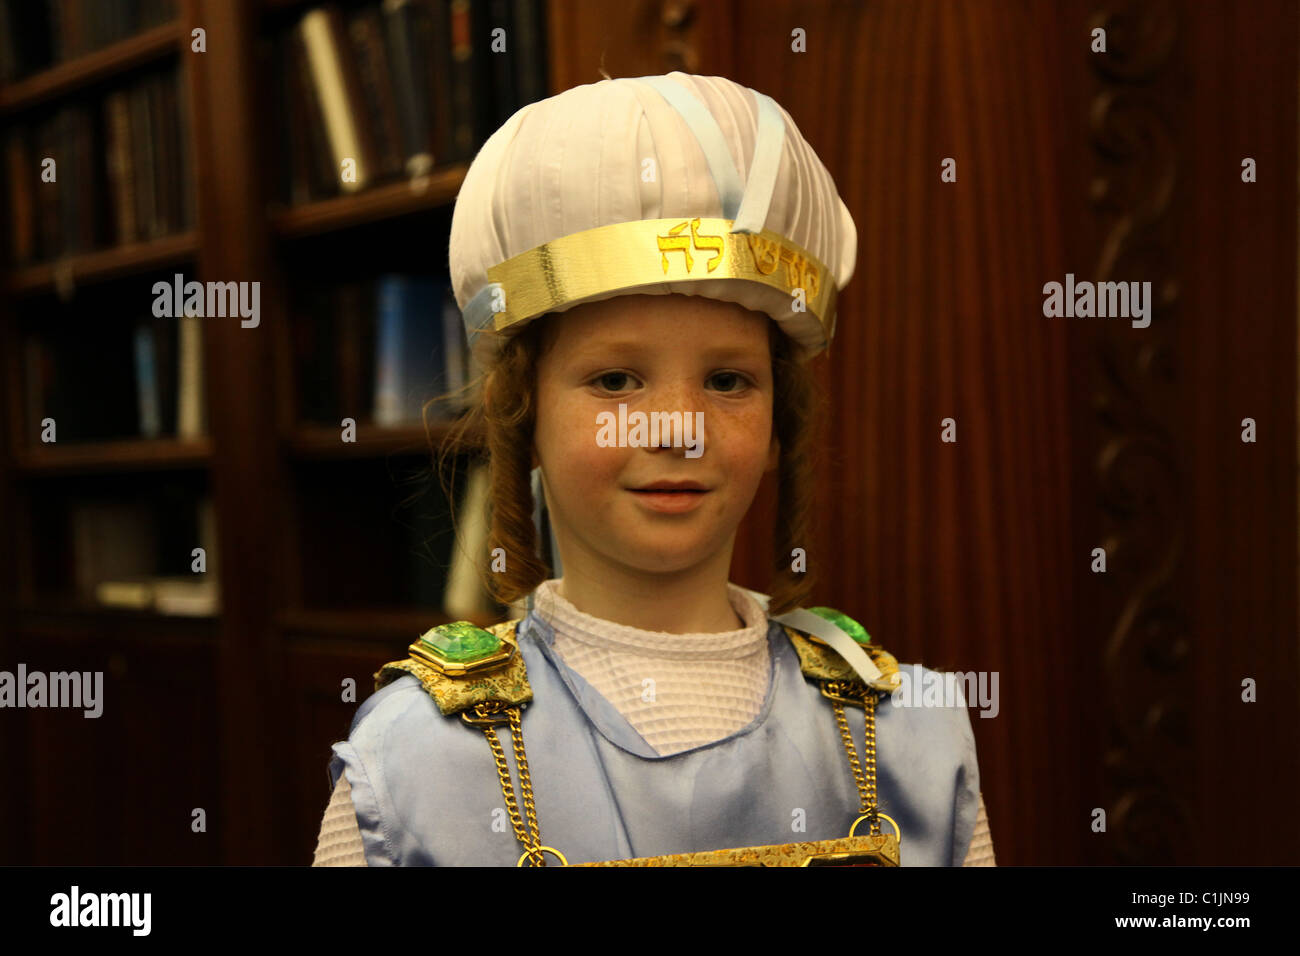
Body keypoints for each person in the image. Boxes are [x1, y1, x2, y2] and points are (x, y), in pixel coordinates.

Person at [313, 71, 995, 867]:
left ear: (780, 425)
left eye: (728, 382)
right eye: (615, 382)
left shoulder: (910, 732)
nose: (679, 430)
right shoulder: (416, 763)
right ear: (525, 415)